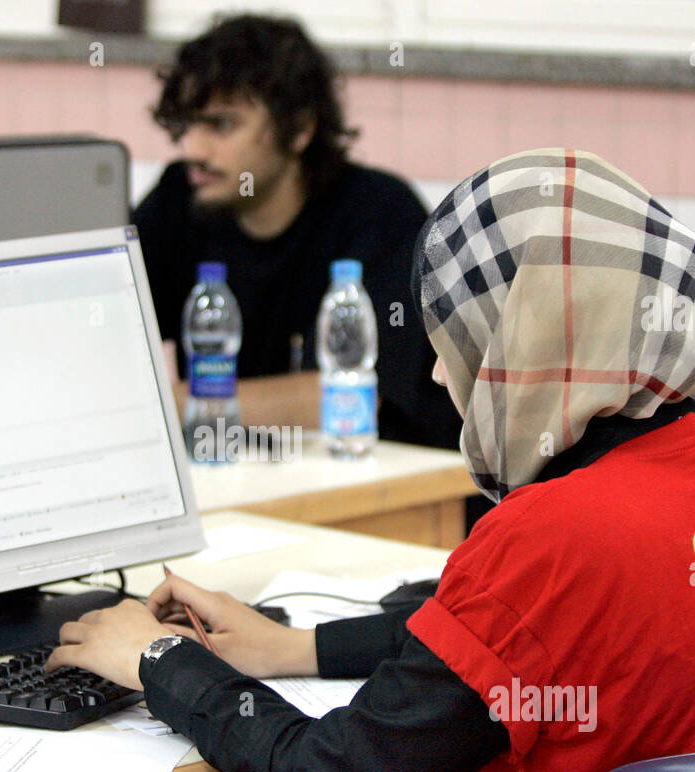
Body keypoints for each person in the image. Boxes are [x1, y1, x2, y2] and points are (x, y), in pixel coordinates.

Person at [51, 149, 695, 772]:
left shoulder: (550, 535)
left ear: (532, 339)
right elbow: (506, 638)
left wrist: (157, 660)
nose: (441, 373)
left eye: (463, 338)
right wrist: (295, 649)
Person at [133, 13, 460, 450]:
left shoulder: (378, 210)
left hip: (368, 483)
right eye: (185, 125)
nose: (192, 148)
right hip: (236, 467)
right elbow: (106, 326)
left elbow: (345, 397)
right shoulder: (179, 198)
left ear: (300, 129)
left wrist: (161, 407)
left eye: (221, 125)